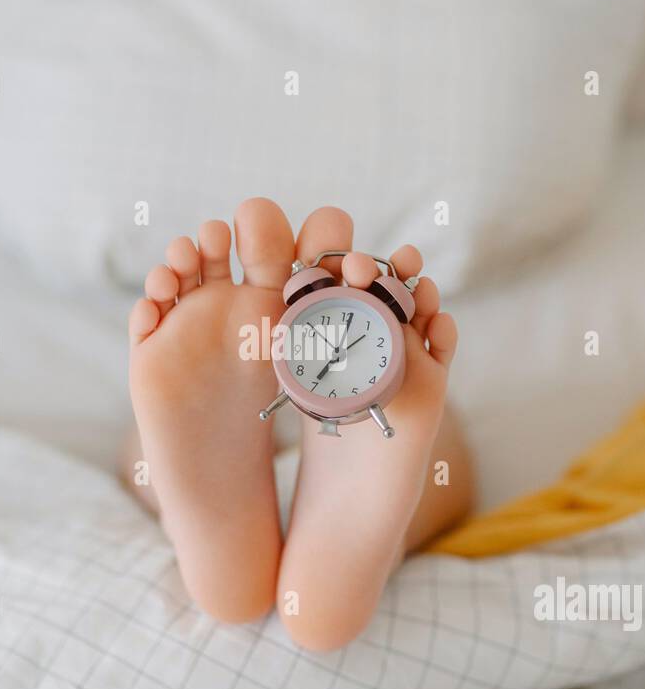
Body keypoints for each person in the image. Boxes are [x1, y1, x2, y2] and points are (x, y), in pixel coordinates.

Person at [126, 198, 473, 651]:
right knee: (441, 444)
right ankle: (381, 541)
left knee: (138, 452)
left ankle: (183, 519)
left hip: (269, 407)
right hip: (371, 398)